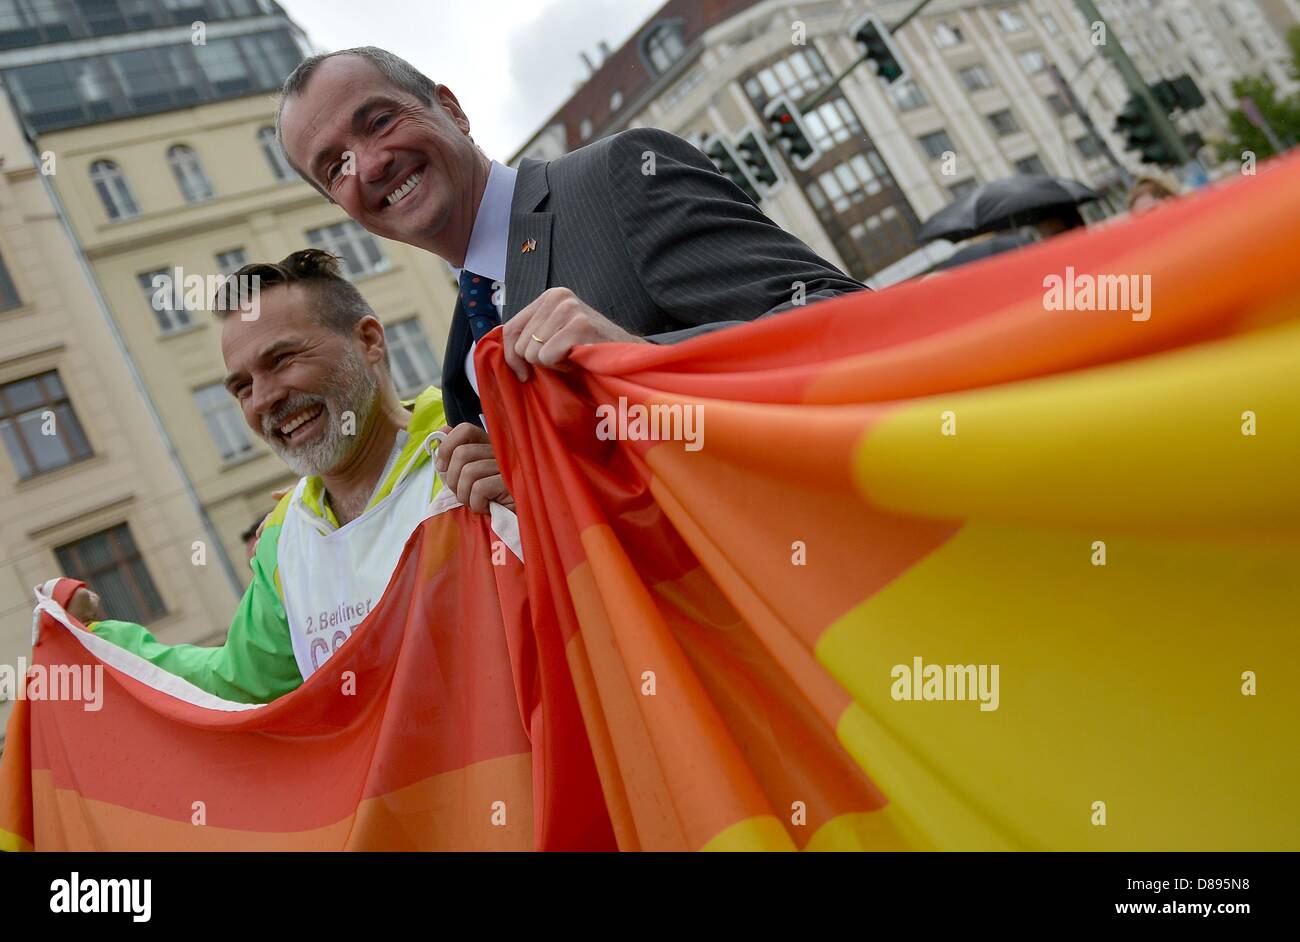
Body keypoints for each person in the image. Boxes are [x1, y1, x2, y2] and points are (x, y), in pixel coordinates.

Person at [274, 46, 865, 434]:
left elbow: (849, 322)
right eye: (336, 168)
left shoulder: (620, 175)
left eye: (379, 121)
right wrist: (520, 491)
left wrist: (640, 363)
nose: (370, 165)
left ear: (452, 109)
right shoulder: (462, 359)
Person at [58, 249, 511, 703]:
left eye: (281, 360)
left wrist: (525, 501)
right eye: (242, 387)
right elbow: (236, 685)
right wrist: (88, 637)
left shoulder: (478, 455)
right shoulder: (282, 536)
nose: (264, 399)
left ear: (369, 341)